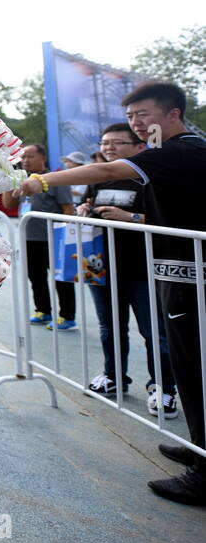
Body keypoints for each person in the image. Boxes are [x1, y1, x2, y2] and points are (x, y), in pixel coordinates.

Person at [15, 81, 206, 505]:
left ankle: (204, 470)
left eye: (145, 115)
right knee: (189, 364)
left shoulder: (182, 151)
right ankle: (199, 446)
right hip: (176, 272)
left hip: (191, 276)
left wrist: (41, 180)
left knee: (195, 368)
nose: (137, 124)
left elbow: (103, 171)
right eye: (132, 116)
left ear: (173, 115)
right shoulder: (176, 151)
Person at [76, 123, 177, 416]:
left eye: (117, 143)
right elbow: (88, 206)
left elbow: (168, 222)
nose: (108, 148)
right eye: (105, 143)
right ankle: (113, 377)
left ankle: (163, 387)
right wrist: (85, 210)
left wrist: (129, 216)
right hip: (100, 266)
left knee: (154, 332)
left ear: (139, 148)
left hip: (141, 269)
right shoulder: (97, 180)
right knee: (109, 328)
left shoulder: (151, 181)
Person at [2, 143, 77, 329]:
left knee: (61, 278)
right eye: (23, 157)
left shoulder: (55, 180)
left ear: (43, 157)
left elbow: (68, 210)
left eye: (30, 156)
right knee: (36, 277)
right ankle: (43, 311)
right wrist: (8, 182)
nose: (25, 160)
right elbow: (8, 204)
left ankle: (67, 317)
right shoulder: (21, 179)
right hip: (29, 238)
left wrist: (66, 238)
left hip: (54, 239)